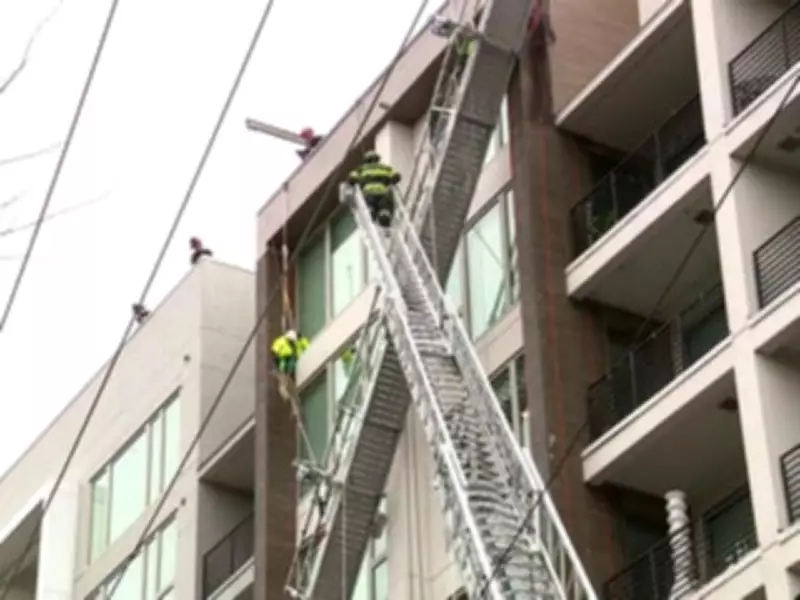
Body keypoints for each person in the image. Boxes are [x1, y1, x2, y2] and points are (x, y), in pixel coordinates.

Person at [347, 150, 401, 228]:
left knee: (371, 207)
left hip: (369, 193)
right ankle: (383, 215)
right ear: (377, 159)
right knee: (383, 207)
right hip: (382, 193)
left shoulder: (361, 169)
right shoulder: (385, 168)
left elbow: (352, 178)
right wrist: (392, 180)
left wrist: (353, 182)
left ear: (366, 160)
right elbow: (396, 176)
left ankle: (371, 211)